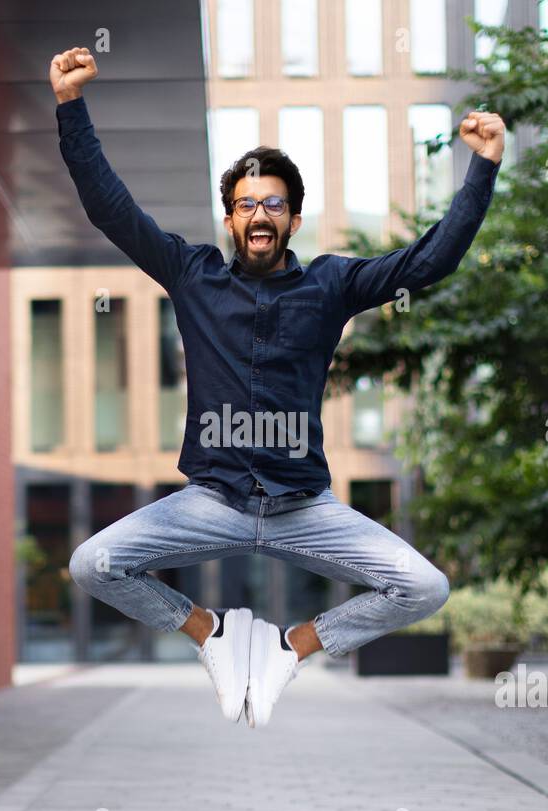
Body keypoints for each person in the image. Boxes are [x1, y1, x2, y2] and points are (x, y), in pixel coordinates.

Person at [51, 46, 504, 728]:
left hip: (303, 507)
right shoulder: (191, 273)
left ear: (293, 218)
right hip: (214, 502)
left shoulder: (331, 284)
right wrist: (69, 107)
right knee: (93, 564)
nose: (259, 215)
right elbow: (111, 210)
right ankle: (215, 633)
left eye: (274, 205)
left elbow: (430, 259)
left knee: (423, 586)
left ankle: (294, 645)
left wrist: (485, 166)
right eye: (245, 205)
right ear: (230, 219)